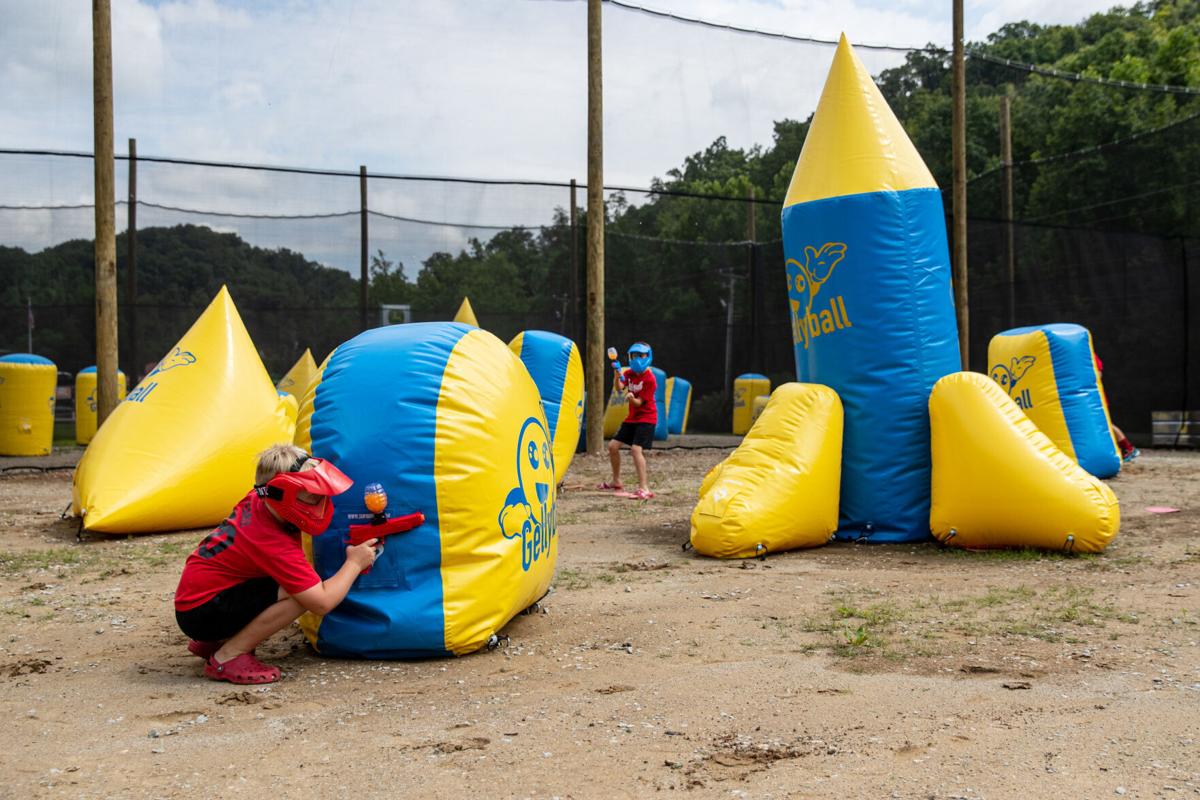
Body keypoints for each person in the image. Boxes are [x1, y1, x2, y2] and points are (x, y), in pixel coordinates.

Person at [174, 444, 378, 684]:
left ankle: (216, 641)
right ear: (282, 492)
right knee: (301, 596)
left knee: (293, 585)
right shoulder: (271, 540)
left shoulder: (260, 499)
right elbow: (322, 603)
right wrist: (355, 562)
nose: (320, 504)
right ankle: (227, 656)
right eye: (312, 496)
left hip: (202, 597)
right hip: (202, 611)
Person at [599, 341, 657, 499]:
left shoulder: (650, 379)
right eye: (634, 355)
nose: (637, 359)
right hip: (632, 419)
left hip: (647, 418)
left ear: (648, 357)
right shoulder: (629, 373)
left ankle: (644, 488)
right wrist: (617, 374)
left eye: (641, 355)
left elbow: (639, 403)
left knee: (636, 450)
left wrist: (632, 398)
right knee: (612, 446)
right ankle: (616, 481)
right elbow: (618, 387)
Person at [1094, 351, 1139, 462]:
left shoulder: (1089, 354)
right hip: (1093, 397)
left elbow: (1099, 374)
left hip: (1096, 397)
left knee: (1106, 423)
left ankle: (1128, 448)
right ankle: (1124, 448)